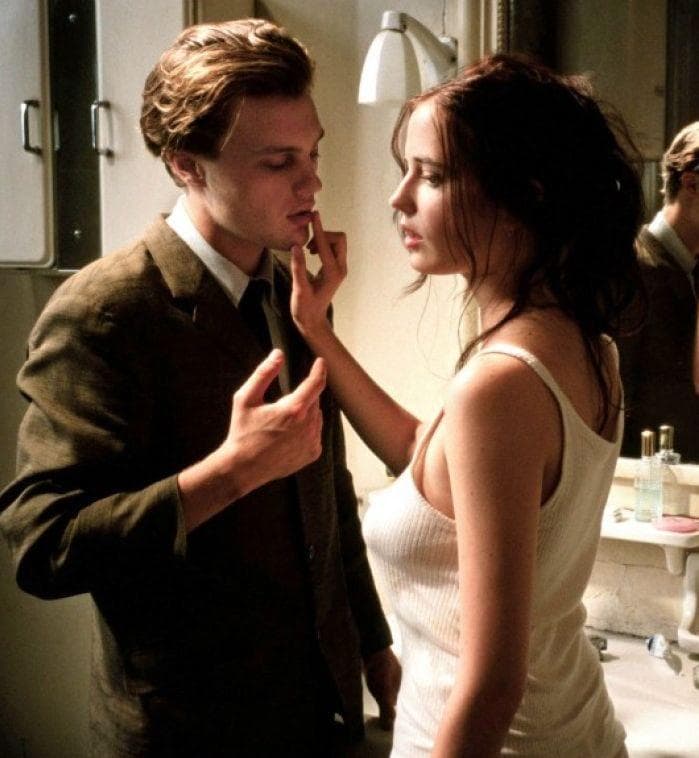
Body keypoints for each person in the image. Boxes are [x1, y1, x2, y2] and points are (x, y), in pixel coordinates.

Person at [0, 18, 400, 758]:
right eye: (279, 161)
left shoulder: (292, 291)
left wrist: (372, 644)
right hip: (189, 735)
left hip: (319, 715)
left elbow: (325, 489)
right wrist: (230, 473)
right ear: (186, 165)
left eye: (313, 153)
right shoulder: (105, 311)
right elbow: (43, 545)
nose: (311, 184)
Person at [290, 54, 643, 756]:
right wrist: (317, 333)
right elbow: (433, 462)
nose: (399, 199)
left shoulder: (499, 386)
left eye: (431, 175)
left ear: (524, 193)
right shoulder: (582, 345)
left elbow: (491, 685)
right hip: (578, 730)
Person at [619, 121, 699, 462]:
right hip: (644, 479)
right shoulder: (632, 269)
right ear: (692, 184)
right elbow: (614, 402)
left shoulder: (691, 269)